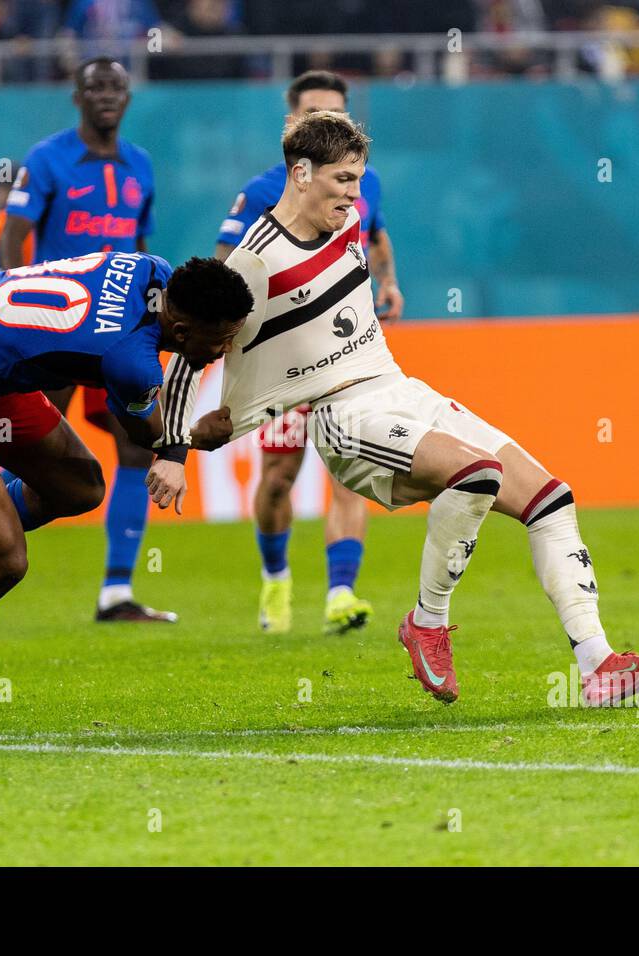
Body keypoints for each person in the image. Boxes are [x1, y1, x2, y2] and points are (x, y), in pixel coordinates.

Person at [151, 111, 639, 706]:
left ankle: (597, 663)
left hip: (399, 388)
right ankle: (428, 621)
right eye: (343, 179)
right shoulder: (255, 260)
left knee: (551, 498)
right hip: (341, 418)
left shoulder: (348, 224)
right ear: (300, 173)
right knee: (476, 474)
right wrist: (175, 450)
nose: (353, 194)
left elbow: (357, 275)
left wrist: (390, 278)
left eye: (359, 180)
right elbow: (195, 350)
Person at [0, 253, 252, 722]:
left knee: (79, 486)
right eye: (223, 340)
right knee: (2, 562)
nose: (226, 351)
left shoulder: (155, 271)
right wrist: (189, 441)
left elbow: (180, 355)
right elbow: (142, 431)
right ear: (181, 331)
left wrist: (175, 446)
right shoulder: (128, 358)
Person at [215, 70, 404, 637]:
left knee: (350, 469)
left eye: (338, 115)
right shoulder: (261, 190)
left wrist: (389, 281)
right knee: (279, 477)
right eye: (314, 113)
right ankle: (276, 576)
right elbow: (226, 264)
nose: (327, 122)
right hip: (287, 356)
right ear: (290, 122)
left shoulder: (362, 183)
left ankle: (341, 592)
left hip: (346, 352)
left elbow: (376, 237)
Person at [0, 56, 172, 623]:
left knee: (138, 446)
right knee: (24, 446)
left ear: (128, 97)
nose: (107, 96)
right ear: (77, 97)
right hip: (55, 326)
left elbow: (138, 249)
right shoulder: (47, 159)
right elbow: (12, 239)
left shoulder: (141, 165)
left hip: (115, 331)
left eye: (117, 86)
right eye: (95, 87)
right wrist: (14, 306)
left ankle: (116, 592)